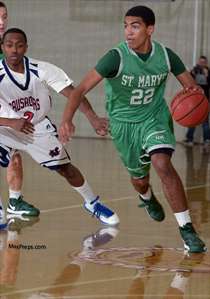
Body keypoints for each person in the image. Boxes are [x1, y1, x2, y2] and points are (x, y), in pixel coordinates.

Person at [59, 5, 207, 252]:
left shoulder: (167, 56)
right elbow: (80, 89)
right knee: (139, 180)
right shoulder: (115, 57)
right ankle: (146, 196)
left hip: (154, 117)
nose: (128, 32)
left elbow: (191, 89)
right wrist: (67, 119)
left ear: (150, 29)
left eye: (135, 26)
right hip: (124, 125)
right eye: (126, 26)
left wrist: (197, 97)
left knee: (162, 163)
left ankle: (187, 230)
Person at [0, 27, 119, 226]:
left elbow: (74, 93)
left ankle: (92, 203)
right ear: (2, 47)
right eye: (9, 45)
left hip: (35, 127)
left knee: (66, 169)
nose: (14, 50)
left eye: (19, 46)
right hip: (4, 127)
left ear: (26, 48)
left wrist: (92, 117)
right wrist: (10, 122)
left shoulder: (42, 69)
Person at [0, 1, 38, 224]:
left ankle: (15, 202)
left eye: (4, 16)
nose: (2, 21)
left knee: (14, 155)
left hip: (8, 108)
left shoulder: (8, 45)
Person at [183, 55, 210, 148]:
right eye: (200, 62)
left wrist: (207, 75)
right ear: (198, 62)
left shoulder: (208, 71)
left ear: (206, 63)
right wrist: (191, 73)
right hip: (194, 101)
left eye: (203, 62)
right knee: (192, 120)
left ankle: (207, 140)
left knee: (205, 122)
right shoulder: (195, 70)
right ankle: (189, 139)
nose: (202, 64)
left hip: (204, 100)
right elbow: (189, 82)